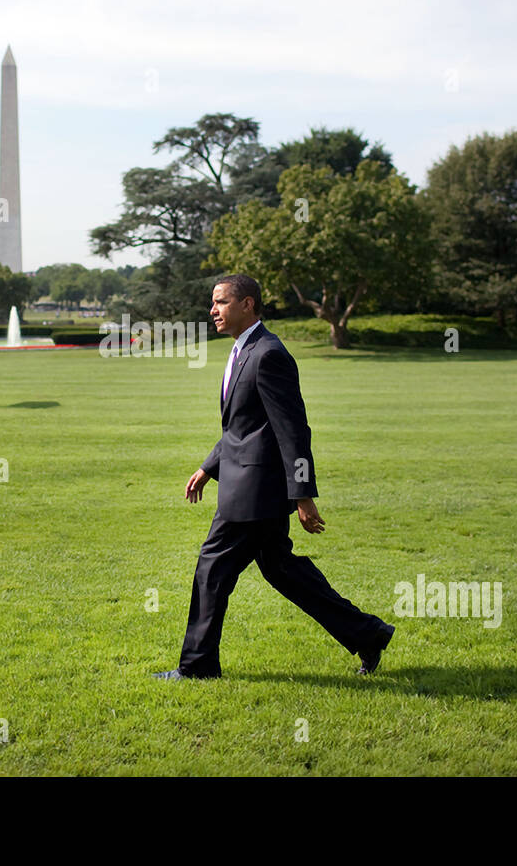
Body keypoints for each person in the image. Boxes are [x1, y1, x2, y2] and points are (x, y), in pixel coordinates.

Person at [154, 274, 395, 680]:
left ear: (247, 304)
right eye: (212, 303)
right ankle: (368, 634)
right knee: (286, 572)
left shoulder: (268, 354)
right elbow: (243, 429)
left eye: (221, 302)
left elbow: (293, 430)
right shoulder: (241, 350)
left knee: (211, 571)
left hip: (254, 493)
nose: (213, 310)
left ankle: (196, 667)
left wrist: (302, 496)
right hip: (248, 486)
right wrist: (207, 467)